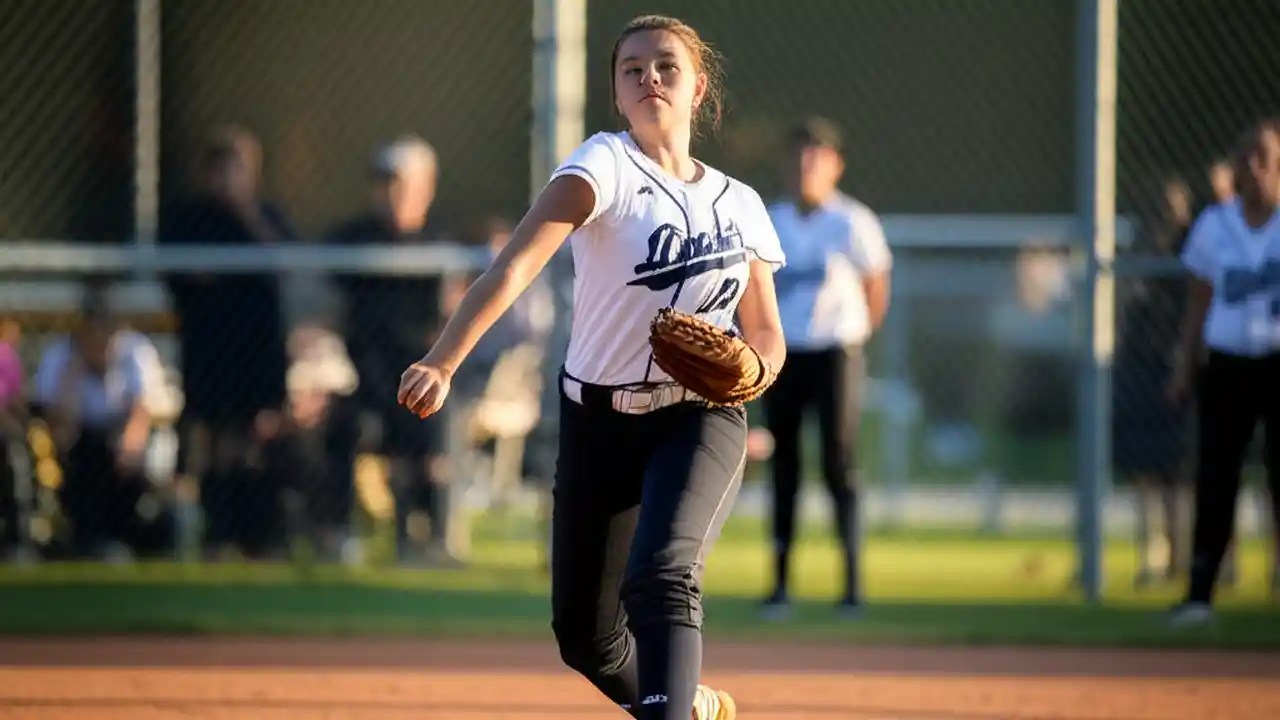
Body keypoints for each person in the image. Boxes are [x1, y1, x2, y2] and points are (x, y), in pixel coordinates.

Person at [397, 14, 785, 720]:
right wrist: (443, 360)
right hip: (597, 421)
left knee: (663, 576)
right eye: (631, 68)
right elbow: (515, 267)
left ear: (699, 88)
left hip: (700, 415)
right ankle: (686, 703)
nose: (649, 78)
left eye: (666, 65)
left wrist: (755, 370)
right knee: (586, 636)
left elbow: (764, 332)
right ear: (615, 92)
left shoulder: (742, 205)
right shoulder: (604, 164)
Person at [759, 118, 892, 618]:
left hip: (836, 352)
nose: (805, 168)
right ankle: (780, 585)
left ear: (835, 166)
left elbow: (877, 286)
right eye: (798, 158)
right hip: (784, 354)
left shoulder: (852, 222)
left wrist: (856, 331)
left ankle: (851, 585)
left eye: (816, 158)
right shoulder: (770, 220)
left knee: (839, 461)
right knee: (785, 465)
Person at [160, 125, 294, 558]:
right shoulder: (189, 219)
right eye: (221, 169)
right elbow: (181, 277)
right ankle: (212, 537)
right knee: (207, 449)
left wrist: (244, 211)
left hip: (256, 355)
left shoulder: (265, 217)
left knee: (253, 448)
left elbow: (282, 270)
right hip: (208, 352)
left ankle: (258, 539)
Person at [1167, 120, 1280, 625]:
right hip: (1228, 363)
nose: (1254, 168)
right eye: (1246, 157)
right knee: (1216, 480)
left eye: (1265, 157)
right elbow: (1198, 304)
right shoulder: (1216, 224)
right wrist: (1183, 365)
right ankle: (1199, 594)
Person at [329, 135, 460, 565]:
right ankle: (341, 534)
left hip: (422, 377)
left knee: (432, 436)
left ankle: (432, 538)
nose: (391, 194)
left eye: (402, 183)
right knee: (347, 427)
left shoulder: (439, 245)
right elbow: (320, 310)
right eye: (384, 183)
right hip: (363, 378)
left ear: (427, 187)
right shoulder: (351, 240)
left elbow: (453, 315)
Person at [1112, 175, 1194, 586]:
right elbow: (1123, 307)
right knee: (1144, 468)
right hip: (1139, 366)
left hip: (1177, 364)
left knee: (1178, 470)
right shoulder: (1136, 252)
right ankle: (1155, 554)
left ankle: (1185, 556)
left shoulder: (1190, 251)